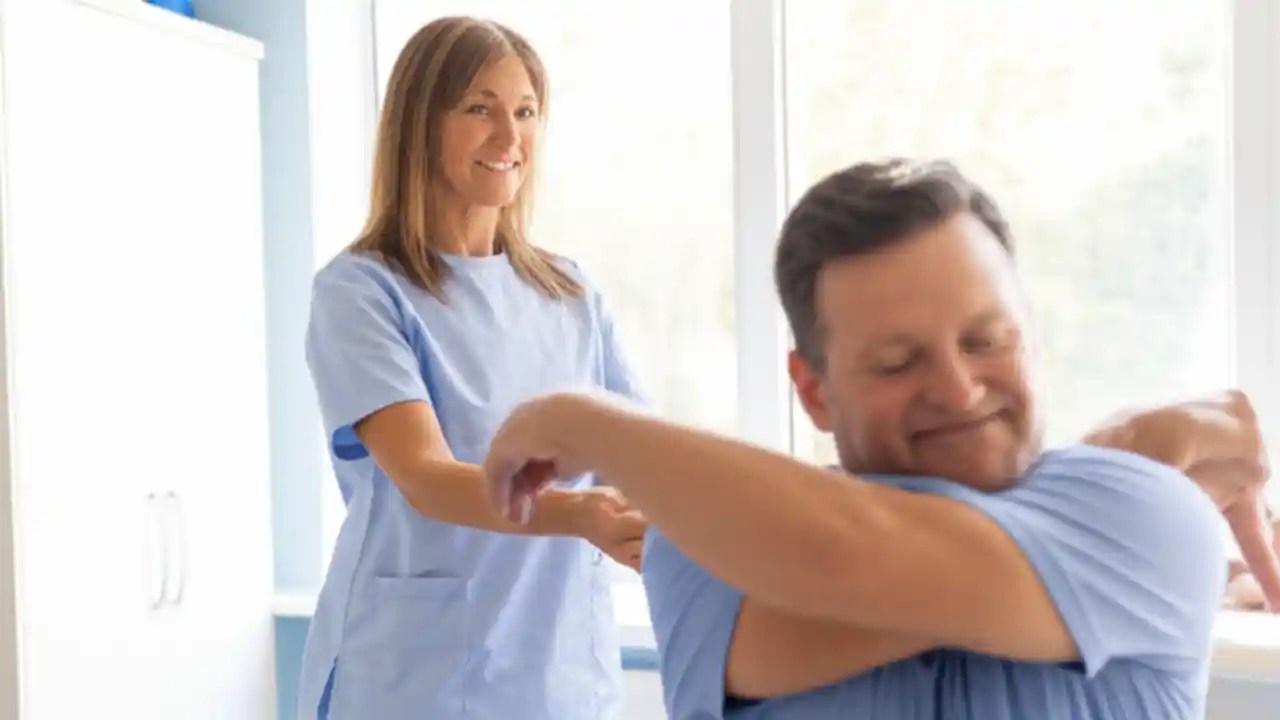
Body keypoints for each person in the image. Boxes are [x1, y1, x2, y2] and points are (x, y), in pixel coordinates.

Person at [480, 159, 1280, 719]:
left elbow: (845, 559)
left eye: (986, 340)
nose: (961, 389)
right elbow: (850, 556)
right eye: (899, 362)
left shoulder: (1145, 509)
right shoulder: (701, 545)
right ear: (813, 390)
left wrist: (593, 425)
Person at [296, 16, 647, 720]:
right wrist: (578, 513)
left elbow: (644, 461)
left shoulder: (570, 294)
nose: (509, 137)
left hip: (561, 679)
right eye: (479, 109)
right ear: (420, 124)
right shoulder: (363, 292)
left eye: (524, 112)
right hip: (415, 679)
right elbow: (428, 479)